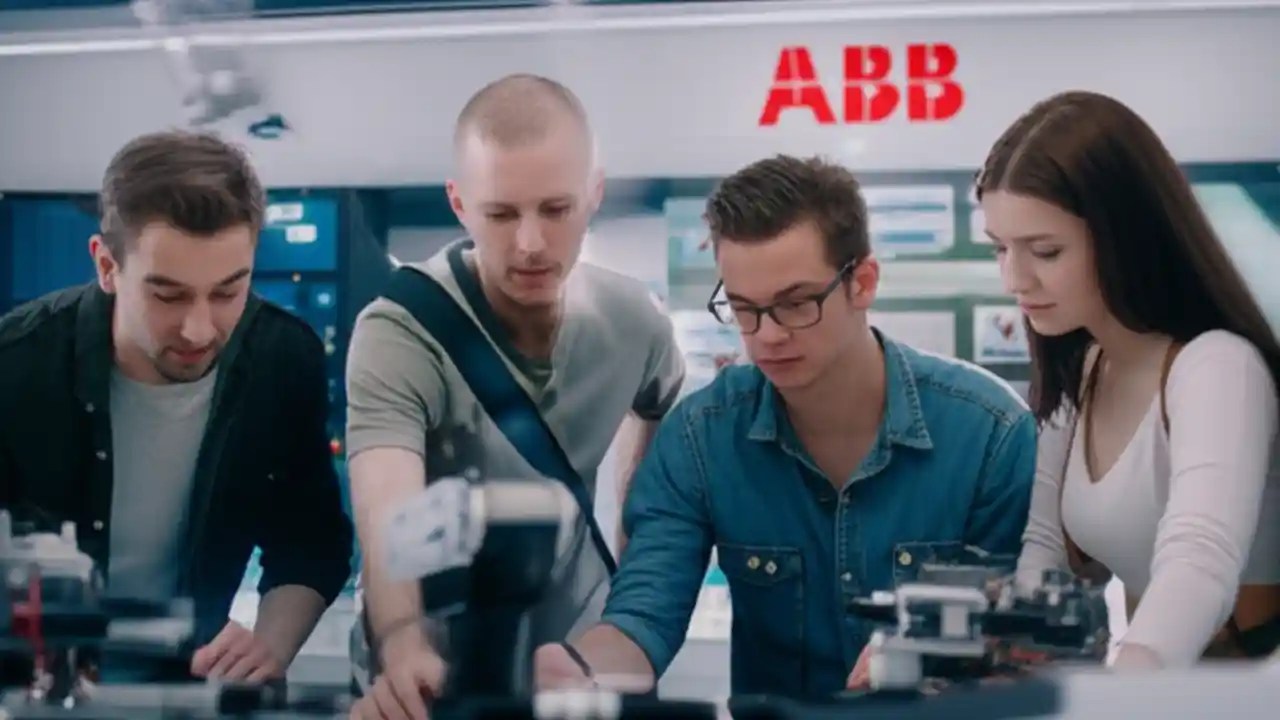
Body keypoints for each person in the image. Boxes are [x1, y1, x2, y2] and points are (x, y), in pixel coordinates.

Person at [532, 154, 1037, 698]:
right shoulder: (701, 438)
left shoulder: (989, 433)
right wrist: (583, 672)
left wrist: (938, 651)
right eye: (744, 308)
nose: (766, 335)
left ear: (862, 282)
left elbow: (1025, 638)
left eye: (795, 304)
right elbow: (642, 618)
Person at [345, 73, 684, 720]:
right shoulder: (400, 330)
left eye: (555, 210)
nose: (530, 243)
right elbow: (388, 510)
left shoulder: (635, 320)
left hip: (583, 663)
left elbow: (658, 430)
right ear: (459, 203)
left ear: (594, 194)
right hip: (434, 668)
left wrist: (628, 614)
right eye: (501, 214)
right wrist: (401, 640)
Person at [0, 130, 355, 681]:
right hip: (27, 678)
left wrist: (270, 646)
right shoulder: (18, 363)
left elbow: (310, 541)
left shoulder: (282, 360)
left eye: (227, 292)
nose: (199, 328)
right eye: (167, 295)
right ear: (106, 266)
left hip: (187, 681)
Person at [976, 90, 1280, 668]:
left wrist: (1127, 689)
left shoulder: (1216, 367)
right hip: (1159, 686)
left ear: (1125, 236)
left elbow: (1199, 559)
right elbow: (1045, 554)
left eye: (1045, 250)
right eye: (1000, 249)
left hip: (1242, 687)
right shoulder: (1083, 368)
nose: (1015, 278)